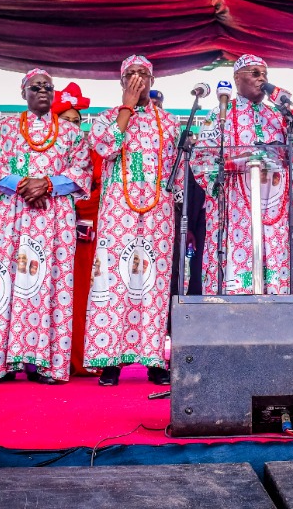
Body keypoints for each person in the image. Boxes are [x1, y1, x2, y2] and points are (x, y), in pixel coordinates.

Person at [0, 69, 91, 385]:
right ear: (23, 92)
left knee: (51, 284)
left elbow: (82, 172)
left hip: (55, 218)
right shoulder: (5, 128)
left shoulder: (72, 133)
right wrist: (25, 185)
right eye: (35, 87)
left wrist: (48, 185)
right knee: (5, 282)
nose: (42, 91)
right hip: (12, 216)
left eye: (47, 87)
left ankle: (46, 365)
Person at [85, 56, 179, 386]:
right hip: (117, 211)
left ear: (152, 81)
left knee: (154, 284)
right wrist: (126, 106)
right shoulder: (106, 118)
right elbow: (106, 148)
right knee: (113, 282)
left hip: (158, 213)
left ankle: (153, 359)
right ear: (122, 81)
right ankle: (109, 361)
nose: (138, 78)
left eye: (143, 74)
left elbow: (178, 170)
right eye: (131, 74)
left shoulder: (169, 122)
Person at [193, 54, 293, 295]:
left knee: (279, 275)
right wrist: (233, 164)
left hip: (277, 210)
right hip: (236, 208)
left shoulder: (278, 116)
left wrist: (286, 107)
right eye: (255, 73)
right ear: (237, 78)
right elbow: (200, 160)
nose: (261, 79)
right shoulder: (219, 115)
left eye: (265, 74)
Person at [53, 82, 100, 377]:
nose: (71, 126)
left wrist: (75, 205)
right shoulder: (41, 147)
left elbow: (100, 187)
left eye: (76, 121)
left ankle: (80, 357)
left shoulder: (91, 150)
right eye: (65, 120)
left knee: (81, 291)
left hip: (83, 230)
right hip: (46, 226)